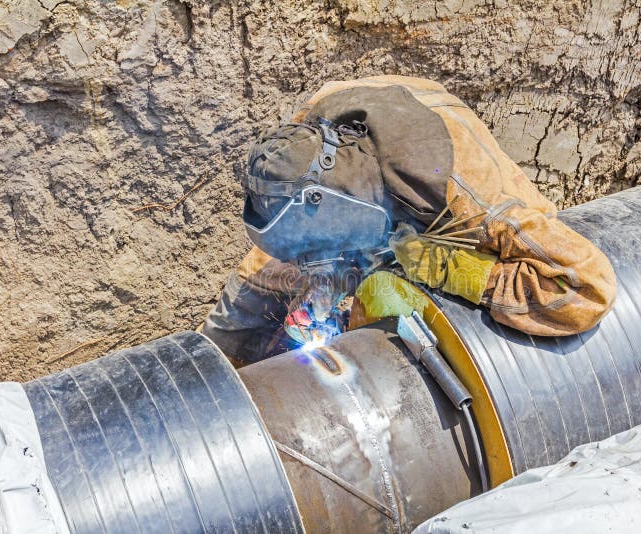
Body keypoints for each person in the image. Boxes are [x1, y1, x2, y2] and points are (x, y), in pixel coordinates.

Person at [202, 75, 617, 364]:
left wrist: (455, 270)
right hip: (384, 125)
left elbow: (587, 289)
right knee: (252, 295)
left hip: (442, 152)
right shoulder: (309, 130)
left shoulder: (475, 197)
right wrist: (327, 285)